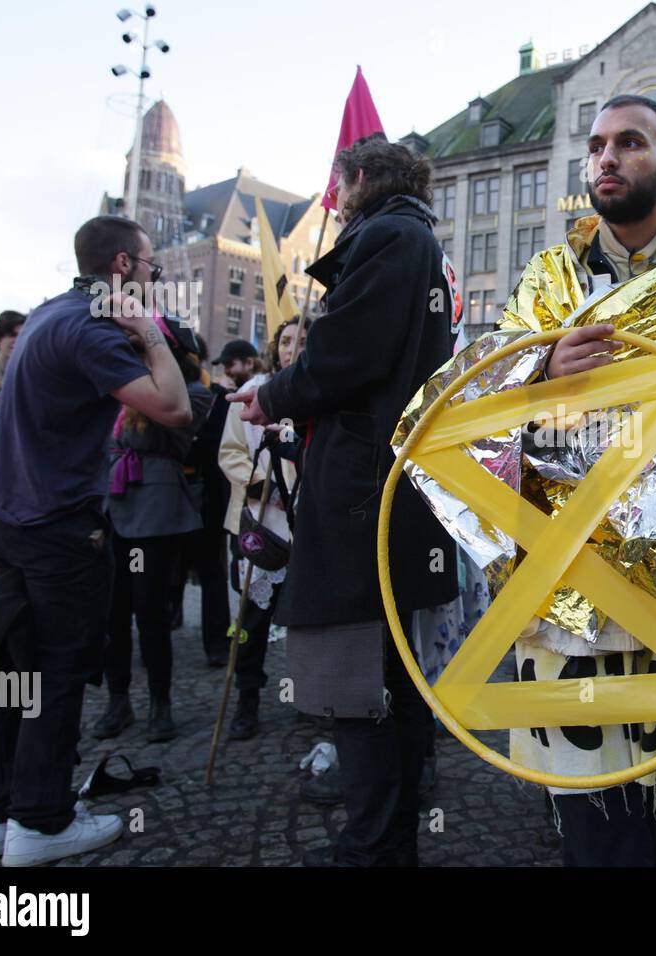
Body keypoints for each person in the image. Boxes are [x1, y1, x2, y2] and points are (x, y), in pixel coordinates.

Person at [400, 94, 656, 866]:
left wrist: (636, 400)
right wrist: (540, 372)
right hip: (558, 577)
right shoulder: (547, 278)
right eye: (598, 144)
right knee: (590, 810)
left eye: (631, 143)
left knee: (653, 781)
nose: (608, 157)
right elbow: (469, 411)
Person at [230, 137, 459, 867]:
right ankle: (387, 839)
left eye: (338, 186)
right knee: (387, 676)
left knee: (364, 682)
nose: (333, 201)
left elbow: (345, 355)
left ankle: (372, 846)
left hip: (368, 489)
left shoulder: (391, 235)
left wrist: (272, 393)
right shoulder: (408, 236)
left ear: (358, 179)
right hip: (381, 485)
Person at [0, 215, 191, 866]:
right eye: (151, 266)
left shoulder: (47, 313)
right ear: (122, 265)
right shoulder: (93, 327)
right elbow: (174, 407)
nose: (156, 278)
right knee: (57, 670)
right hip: (54, 524)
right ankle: (40, 823)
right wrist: (152, 336)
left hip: (4, 515)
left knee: (6, 670)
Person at [96, 322, 212, 743]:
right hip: (112, 507)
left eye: (138, 347)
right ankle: (118, 699)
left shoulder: (192, 393)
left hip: (155, 514)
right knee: (112, 611)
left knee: (150, 613)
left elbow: (175, 419)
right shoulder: (115, 387)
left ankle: (159, 703)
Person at [217, 318, 302, 740]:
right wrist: (261, 484)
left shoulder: (315, 394)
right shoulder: (254, 391)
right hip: (258, 521)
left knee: (306, 618)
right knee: (251, 619)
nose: (294, 349)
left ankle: (308, 693)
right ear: (275, 347)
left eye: (304, 341)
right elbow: (230, 453)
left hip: (303, 526)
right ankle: (247, 698)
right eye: (287, 341)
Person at [169, 332, 232, 664]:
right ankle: (168, 617)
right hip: (168, 493)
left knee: (211, 571)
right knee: (167, 566)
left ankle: (218, 645)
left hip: (207, 496)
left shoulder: (219, 398)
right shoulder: (158, 395)